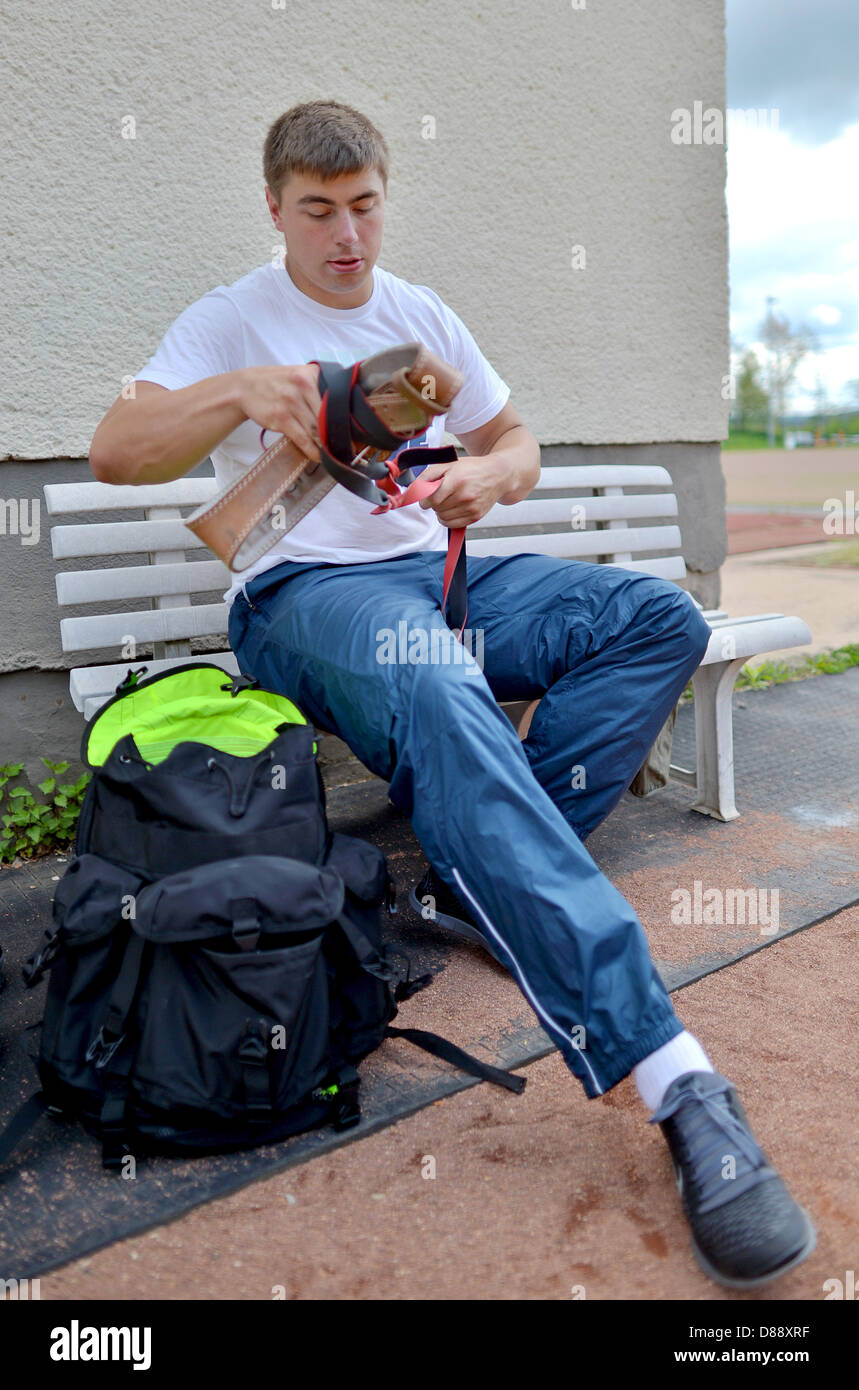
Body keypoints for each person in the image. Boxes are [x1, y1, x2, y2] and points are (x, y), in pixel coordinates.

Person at [90, 99, 815, 1289]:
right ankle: (671, 1069)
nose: (347, 236)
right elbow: (116, 446)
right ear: (275, 208)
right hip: (307, 603)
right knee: (443, 691)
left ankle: (478, 872)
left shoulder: (416, 312)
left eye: (364, 205)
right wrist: (241, 395)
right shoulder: (229, 318)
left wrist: (486, 473)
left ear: (385, 197)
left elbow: (515, 437)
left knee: (654, 618)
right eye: (318, 211)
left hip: (444, 574)